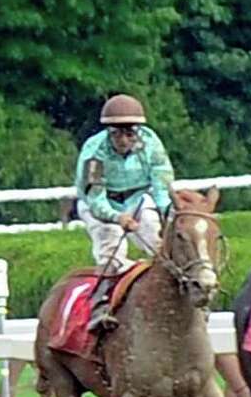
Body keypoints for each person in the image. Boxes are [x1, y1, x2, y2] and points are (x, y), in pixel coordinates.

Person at [73, 94, 176, 332]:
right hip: (99, 204)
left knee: (158, 242)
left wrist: (167, 214)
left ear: (138, 131)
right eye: (116, 133)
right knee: (112, 250)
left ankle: (176, 298)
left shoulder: (152, 144)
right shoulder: (94, 151)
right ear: (108, 132)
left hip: (136, 199)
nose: (123, 139)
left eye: (129, 133)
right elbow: (95, 198)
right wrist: (118, 218)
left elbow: (161, 185)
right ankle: (101, 307)